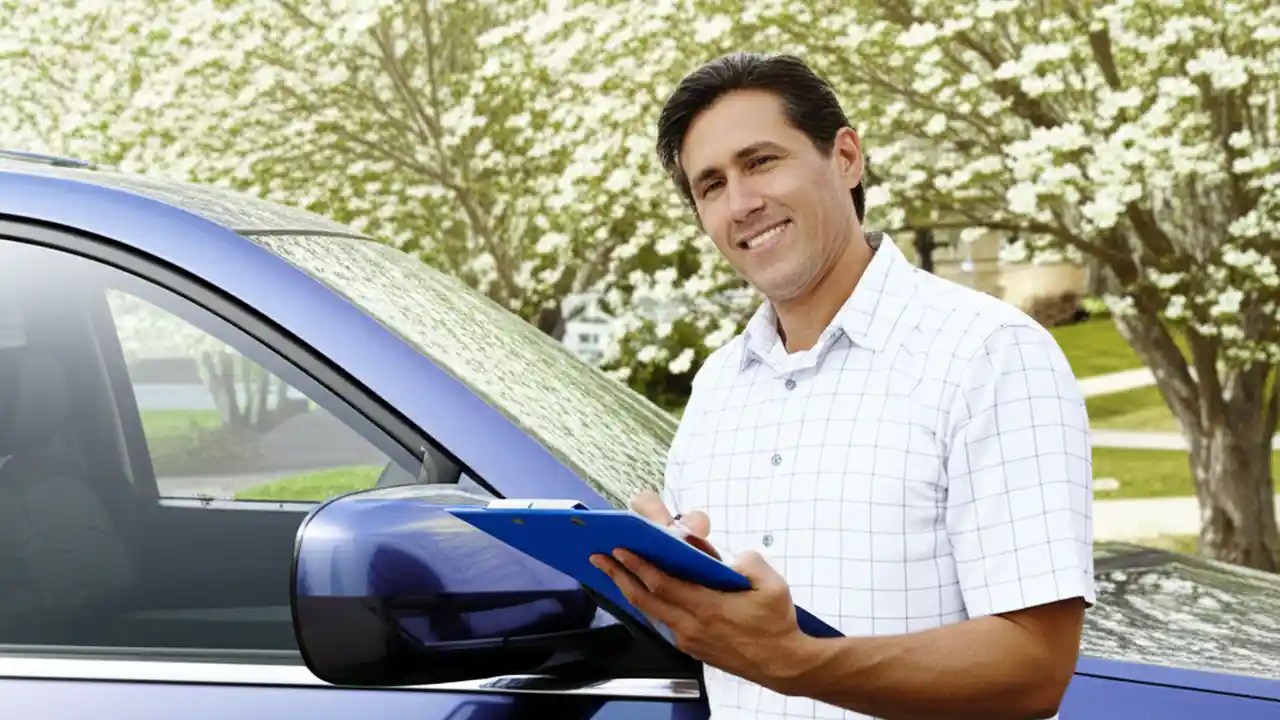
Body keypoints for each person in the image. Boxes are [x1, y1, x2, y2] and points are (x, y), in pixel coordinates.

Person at [589, 52, 1094, 720]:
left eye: (761, 161)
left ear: (847, 157)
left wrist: (795, 661)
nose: (741, 203)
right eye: (710, 185)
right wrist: (670, 580)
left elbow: (1034, 668)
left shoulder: (989, 353)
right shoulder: (718, 388)